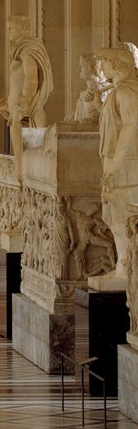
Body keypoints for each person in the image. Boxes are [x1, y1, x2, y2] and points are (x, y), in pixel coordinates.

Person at [95, 46, 138, 286]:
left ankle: (125, 270)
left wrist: (116, 166)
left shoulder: (127, 93)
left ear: (115, 64)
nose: (100, 68)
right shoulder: (118, 91)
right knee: (113, 215)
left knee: (121, 216)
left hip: (125, 166)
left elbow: (130, 128)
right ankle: (121, 264)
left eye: (104, 62)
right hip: (114, 163)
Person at [0, 16, 53, 176]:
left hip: (24, 110)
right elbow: (19, 81)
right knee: (21, 157)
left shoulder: (28, 50)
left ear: (23, 30)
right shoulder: (22, 49)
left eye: (11, 28)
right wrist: (8, 102)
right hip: (17, 108)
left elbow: (32, 80)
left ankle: (21, 176)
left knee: (27, 162)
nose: (8, 32)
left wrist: (23, 105)